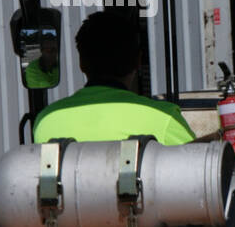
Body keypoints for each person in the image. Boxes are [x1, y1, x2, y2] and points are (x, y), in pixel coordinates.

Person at [33, 10, 197, 145]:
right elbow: (196, 173)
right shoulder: (165, 119)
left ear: (81, 63)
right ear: (138, 62)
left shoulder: (46, 122)